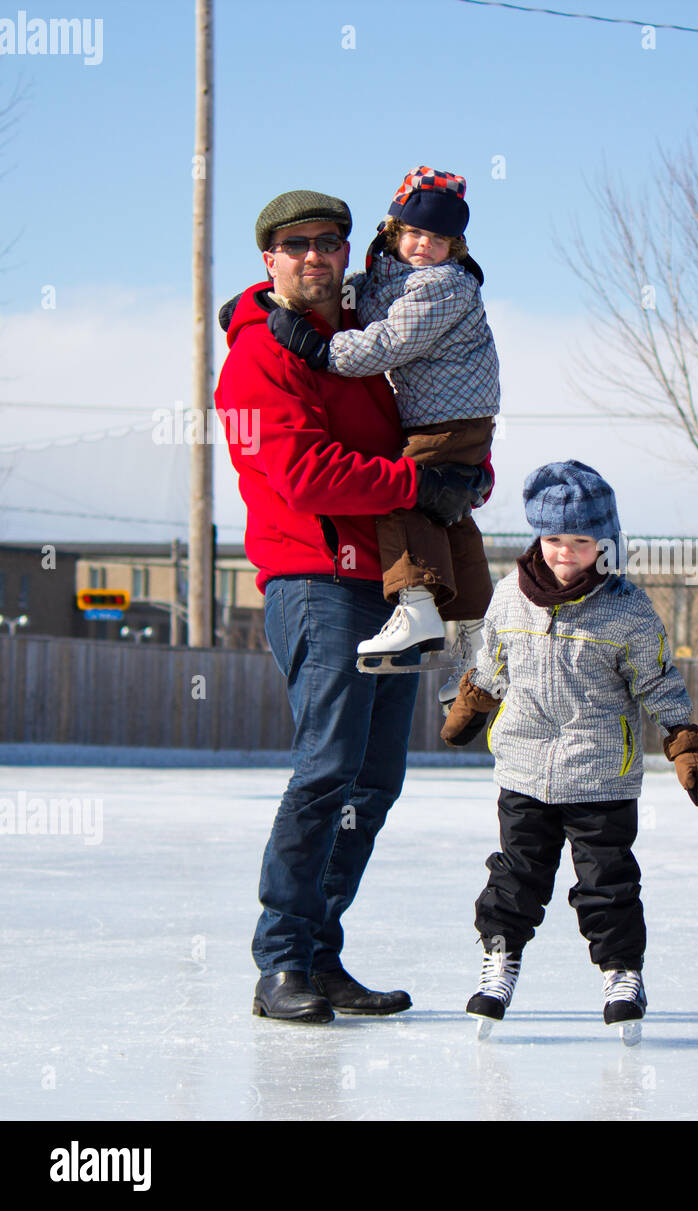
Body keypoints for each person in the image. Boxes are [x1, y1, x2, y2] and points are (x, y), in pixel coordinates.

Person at [215, 189, 487, 1023]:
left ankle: (321, 952)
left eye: (328, 243)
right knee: (328, 766)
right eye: (295, 245)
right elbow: (303, 473)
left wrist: (458, 476)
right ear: (270, 260)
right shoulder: (259, 356)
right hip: (315, 583)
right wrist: (417, 484)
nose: (314, 257)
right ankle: (281, 961)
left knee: (375, 778)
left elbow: (419, 427)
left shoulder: (359, 344)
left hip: (388, 586)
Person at [439, 460, 698, 1042]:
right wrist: (472, 702)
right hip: (524, 768)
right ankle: (500, 961)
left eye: (581, 540)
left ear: (605, 543)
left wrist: (683, 741)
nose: (565, 551)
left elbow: (659, 681)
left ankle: (622, 973)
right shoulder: (511, 597)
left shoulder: (628, 610)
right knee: (517, 875)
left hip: (600, 774)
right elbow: (492, 661)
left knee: (607, 881)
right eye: (554, 538)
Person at [266, 167, 498, 699]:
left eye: (438, 239)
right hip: (440, 415)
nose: (424, 246)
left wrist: (318, 349)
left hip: (450, 417)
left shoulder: (442, 286)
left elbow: (388, 342)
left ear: (455, 247)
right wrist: (261, 302)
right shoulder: (389, 275)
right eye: (415, 234)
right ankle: (480, 640)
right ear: (394, 232)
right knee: (449, 514)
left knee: (401, 493)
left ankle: (416, 605)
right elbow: (346, 292)